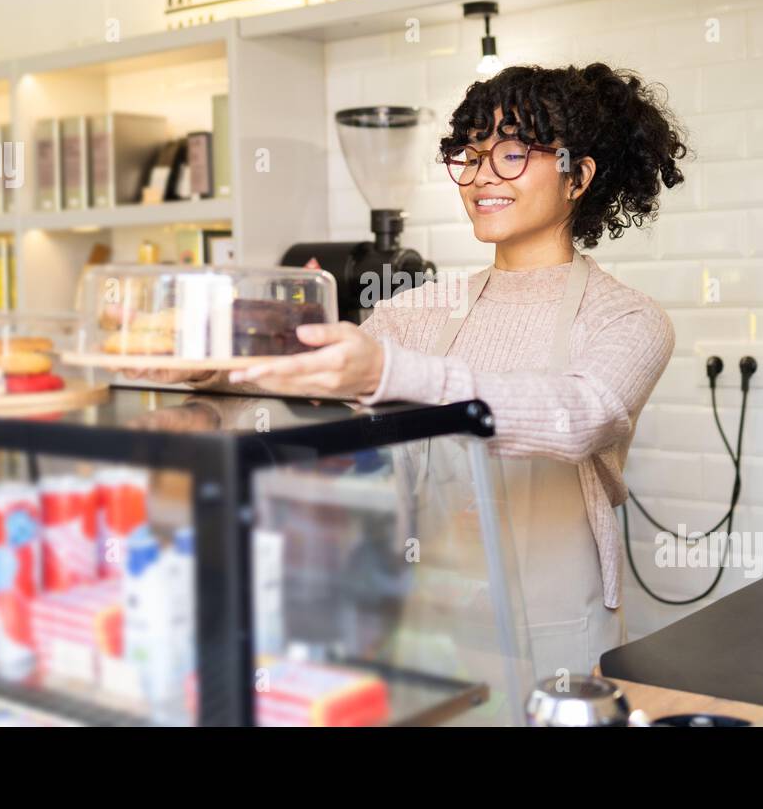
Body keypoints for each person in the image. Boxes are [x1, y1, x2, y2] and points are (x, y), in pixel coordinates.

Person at [223, 63, 687, 675]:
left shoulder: (626, 318)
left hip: (553, 636)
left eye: (512, 153)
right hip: (425, 621)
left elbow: (578, 418)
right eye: (469, 156)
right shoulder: (419, 310)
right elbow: (306, 379)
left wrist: (387, 374)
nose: (479, 178)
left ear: (579, 176)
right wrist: (208, 355)